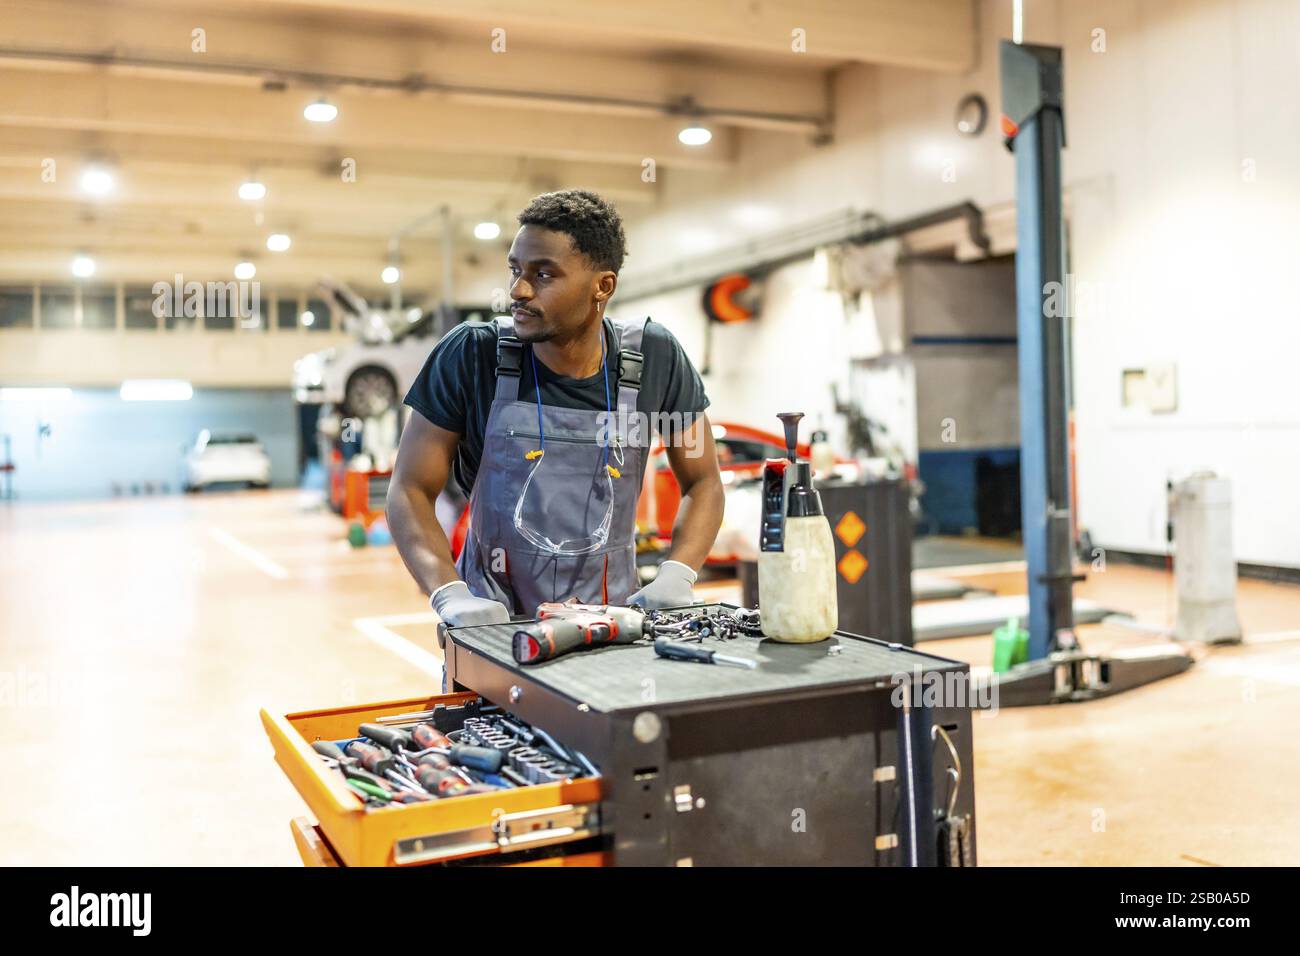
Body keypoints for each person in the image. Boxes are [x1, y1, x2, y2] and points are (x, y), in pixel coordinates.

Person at [387, 189, 725, 643]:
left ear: (602, 286)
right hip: (493, 627)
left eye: (543, 274)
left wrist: (678, 574)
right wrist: (450, 594)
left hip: (613, 627)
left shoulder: (656, 359)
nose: (518, 291)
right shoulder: (472, 354)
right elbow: (410, 487)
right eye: (515, 271)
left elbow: (703, 480)